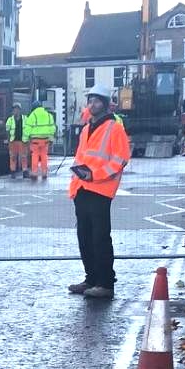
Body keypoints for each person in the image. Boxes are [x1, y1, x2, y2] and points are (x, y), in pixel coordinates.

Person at [67, 85, 131, 300]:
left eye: (96, 101)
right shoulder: (87, 128)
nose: (92, 104)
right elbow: (80, 157)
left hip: (100, 189)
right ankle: (91, 278)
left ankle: (105, 283)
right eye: (90, 100)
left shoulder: (114, 128)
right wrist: (76, 181)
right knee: (84, 237)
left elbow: (120, 159)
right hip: (82, 188)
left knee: (100, 238)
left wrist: (95, 175)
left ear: (105, 104)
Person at [25, 100, 57, 179]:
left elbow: (27, 128)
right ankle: (44, 173)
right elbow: (52, 128)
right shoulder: (48, 115)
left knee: (35, 155)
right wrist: (51, 139)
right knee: (44, 156)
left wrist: (25, 139)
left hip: (35, 140)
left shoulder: (32, 115)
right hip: (45, 140)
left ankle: (34, 173)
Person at [2, 104, 30, 179]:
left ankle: (25, 171)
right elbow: (7, 131)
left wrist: (28, 140)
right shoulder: (10, 120)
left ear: (20, 110)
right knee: (13, 157)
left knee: (24, 157)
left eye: (17, 109)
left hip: (23, 141)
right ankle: (13, 172)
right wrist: (9, 141)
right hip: (13, 141)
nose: (16, 111)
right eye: (14, 109)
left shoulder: (25, 118)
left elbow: (29, 129)